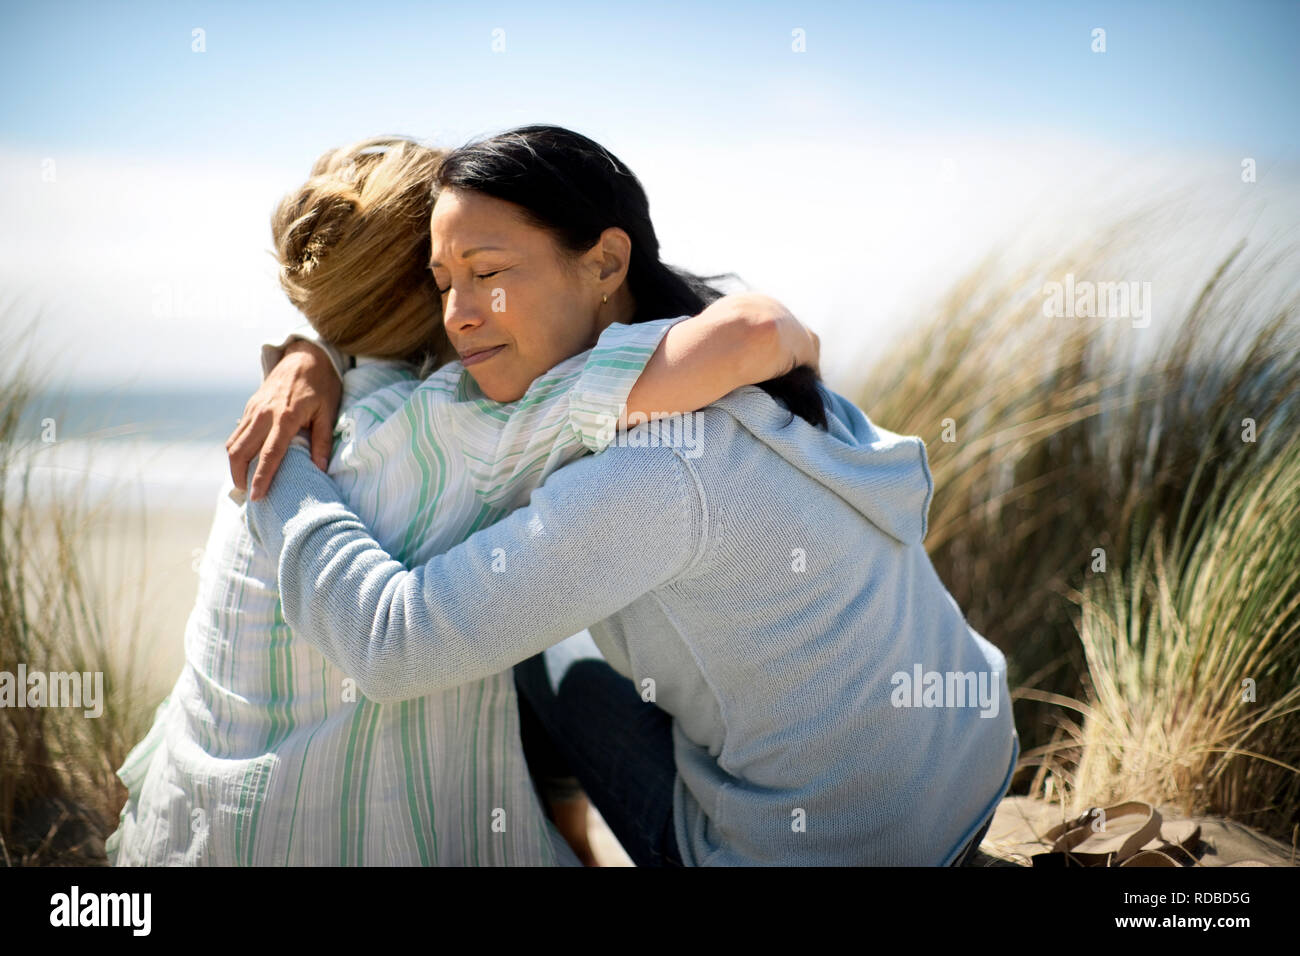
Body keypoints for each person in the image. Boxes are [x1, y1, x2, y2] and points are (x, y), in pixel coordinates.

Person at [237, 124, 1021, 866]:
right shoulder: (724, 364)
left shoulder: (655, 470)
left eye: (487, 273)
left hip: (838, 849)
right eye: (443, 283)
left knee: (522, 650)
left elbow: (392, 647)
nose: (459, 316)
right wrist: (312, 353)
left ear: (607, 263)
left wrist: (281, 479)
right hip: (971, 769)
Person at [106, 134, 820, 866]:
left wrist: (304, 352)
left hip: (177, 833)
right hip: (381, 843)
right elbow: (753, 335)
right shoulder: (472, 422)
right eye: (450, 277)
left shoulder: (287, 421)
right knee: (536, 634)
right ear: (425, 286)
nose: (463, 308)